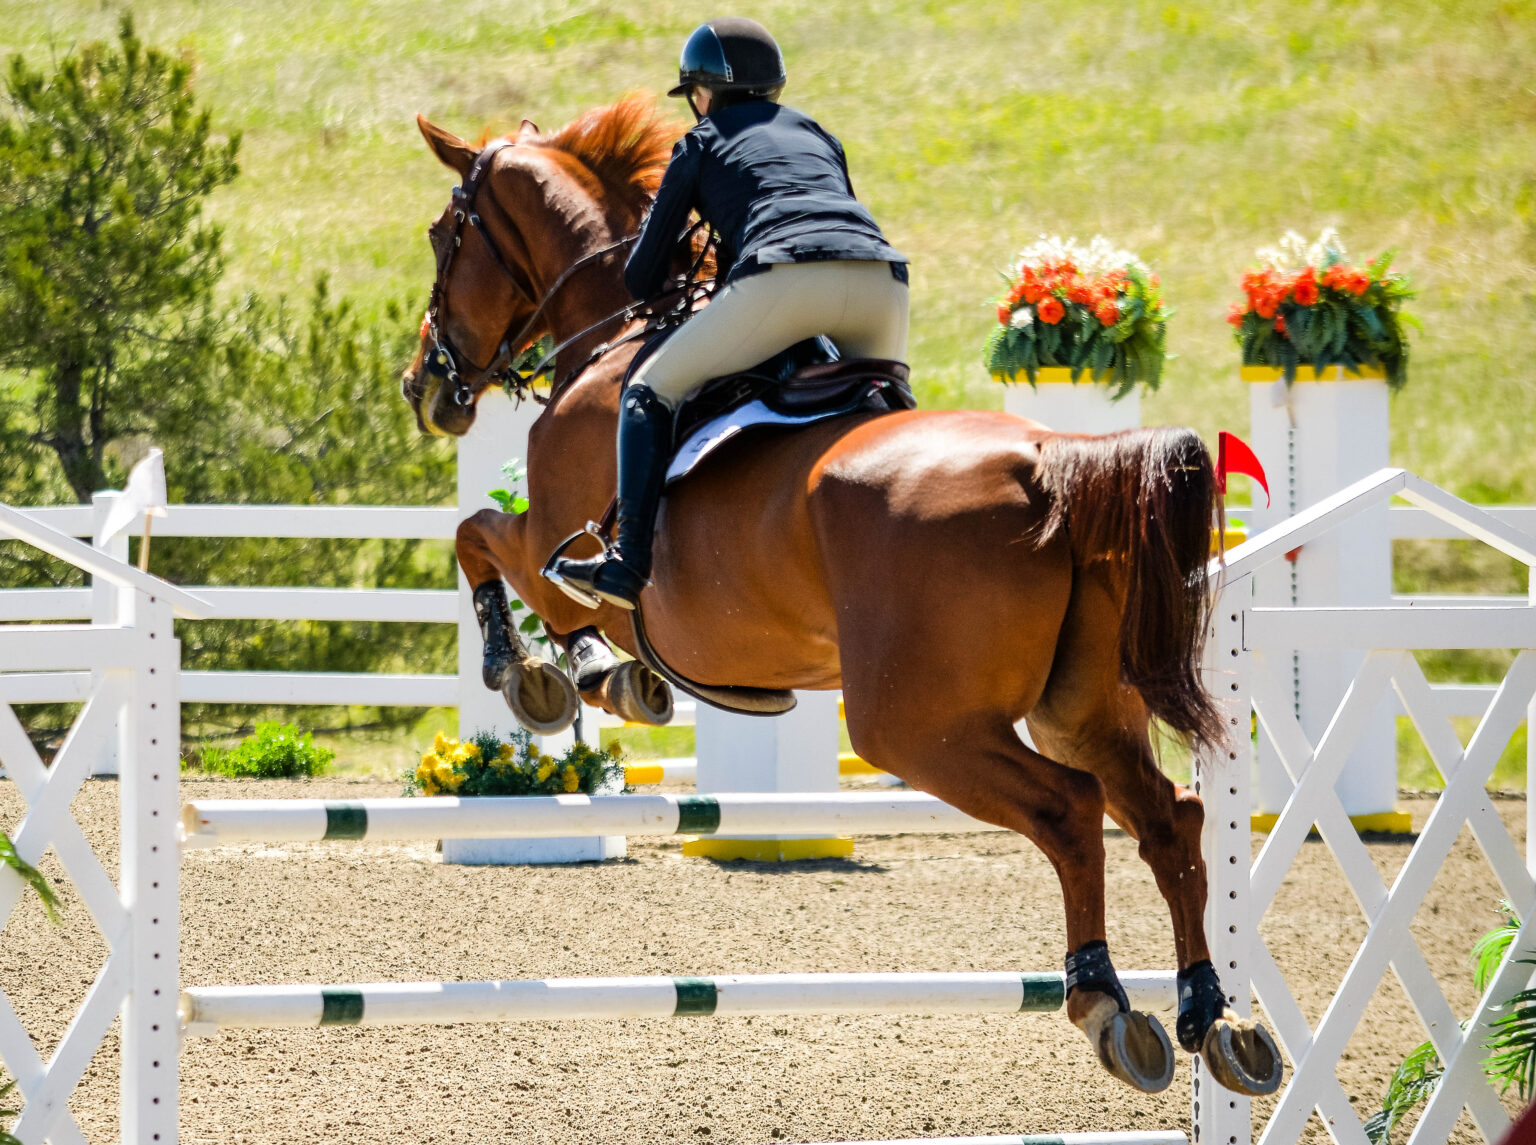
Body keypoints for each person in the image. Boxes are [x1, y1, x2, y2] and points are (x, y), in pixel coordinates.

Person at [548, 16, 910, 611]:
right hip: (882, 281)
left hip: (786, 280)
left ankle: (626, 564)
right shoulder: (818, 133)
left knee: (647, 389)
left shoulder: (701, 141)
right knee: (887, 417)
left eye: (693, 94)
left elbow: (641, 278)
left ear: (705, 92)